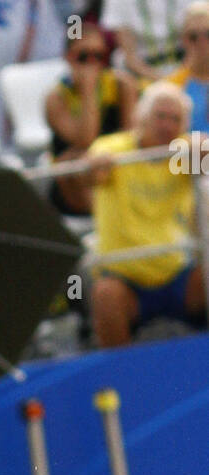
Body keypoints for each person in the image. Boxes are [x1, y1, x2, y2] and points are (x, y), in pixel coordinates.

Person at [87, 82, 204, 345]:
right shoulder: (113, 148)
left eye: (175, 119)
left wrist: (201, 147)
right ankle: (118, 379)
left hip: (177, 273)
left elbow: (205, 154)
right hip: (124, 279)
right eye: (160, 116)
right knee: (105, 295)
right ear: (141, 117)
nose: (167, 125)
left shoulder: (184, 151)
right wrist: (95, 169)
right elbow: (92, 175)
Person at [44, 26, 137, 214]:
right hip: (74, 184)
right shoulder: (56, 98)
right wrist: (89, 91)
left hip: (114, 164)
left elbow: (131, 137)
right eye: (84, 57)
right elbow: (86, 140)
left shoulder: (122, 85)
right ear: (69, 57)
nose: (93, 64)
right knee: (78, 161)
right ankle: (103, 221)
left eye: (99, 56)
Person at [166, 0, 209, 127]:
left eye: (208, 34)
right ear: (184, 40)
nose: (202, 42)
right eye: (193, 36)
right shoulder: (171, 87)